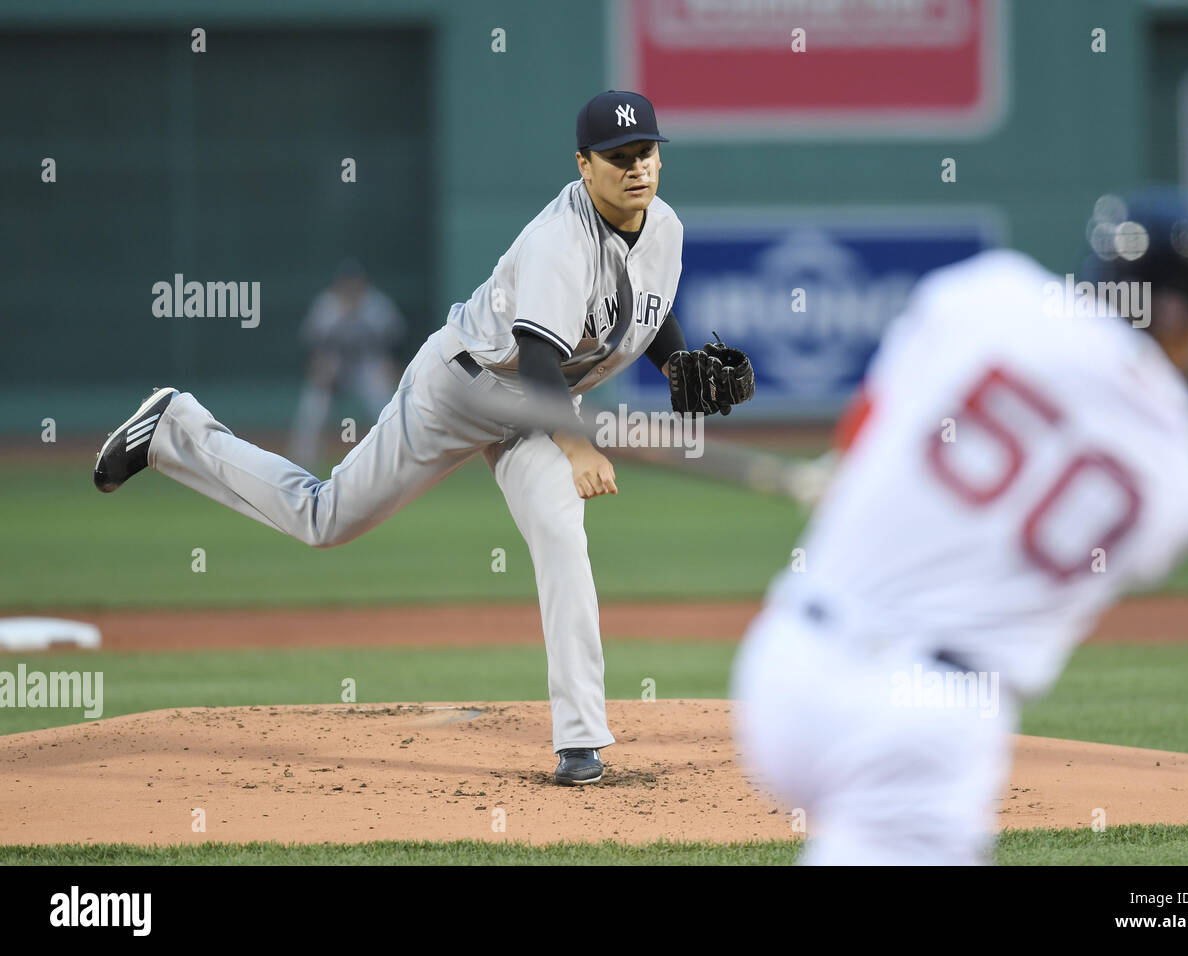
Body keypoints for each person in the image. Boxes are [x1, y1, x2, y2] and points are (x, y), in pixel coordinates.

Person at [93, 90, 754, 786]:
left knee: (561, 532)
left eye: (645, 153)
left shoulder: (666, 228)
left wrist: (677, 362)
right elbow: (535, 359)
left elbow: (648, 311)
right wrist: (579, 445)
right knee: (327, 518)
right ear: (584, 167)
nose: (636, 168)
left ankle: (580, 740)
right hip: (462, 386)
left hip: (538, 409)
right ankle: (175, 428)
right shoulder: (560, 240)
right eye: (617, 158)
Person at [730, 189, 1188, 864]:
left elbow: (870, 424)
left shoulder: (989, 293)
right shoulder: (1187, 488)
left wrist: (846, 472)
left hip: (785, 665)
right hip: (923, 726)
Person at [288, 259, 406, 466]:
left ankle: (398, 456)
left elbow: (395, 344)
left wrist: (391, 367)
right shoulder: (326, 306)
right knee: (314, 406)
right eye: (347, 284)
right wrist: (320, 371)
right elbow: (313, 347)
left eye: (355, 283)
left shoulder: (378, 306)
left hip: (367, 366)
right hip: (335, 366)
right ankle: (303, 462)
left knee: (386, 406)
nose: (351, 288)